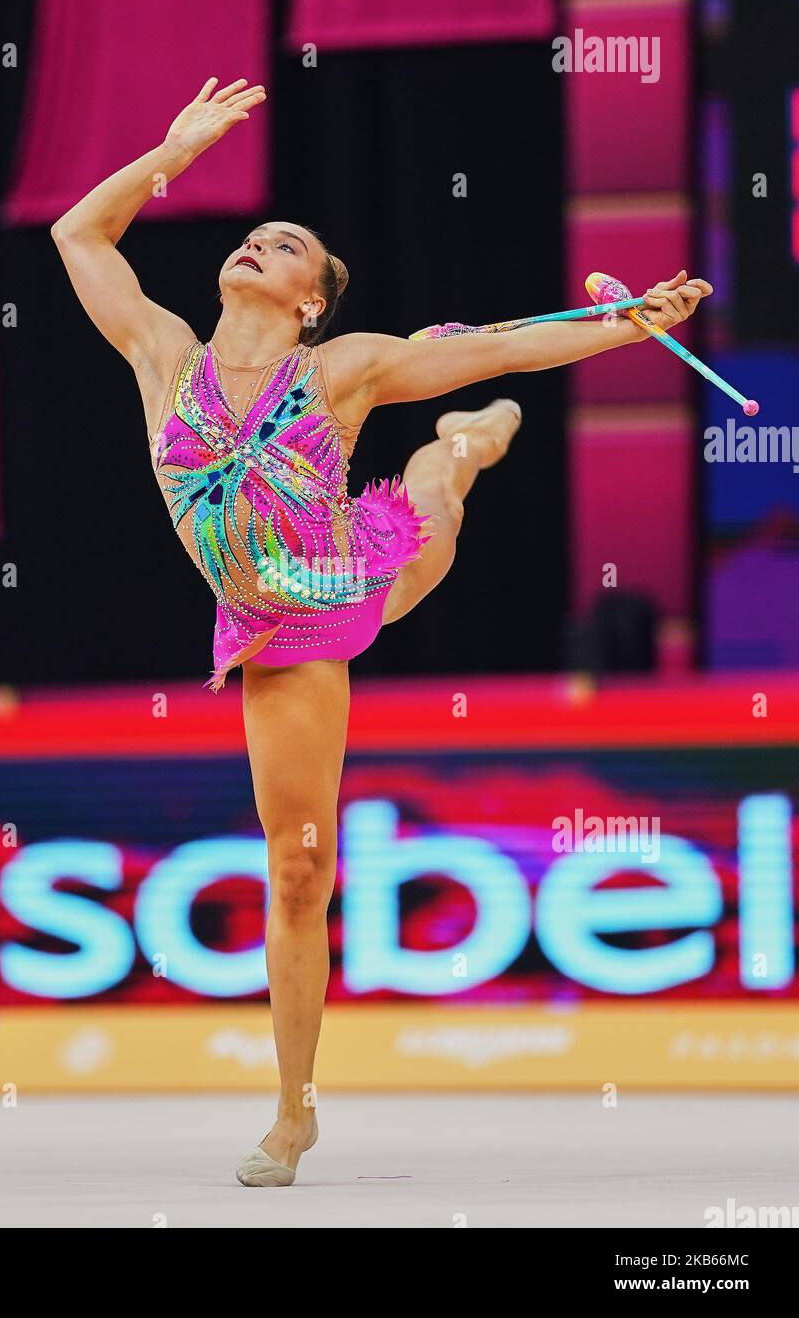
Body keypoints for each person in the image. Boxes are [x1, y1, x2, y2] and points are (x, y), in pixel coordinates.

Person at [51, 77, 711, 1185]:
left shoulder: (337, 367)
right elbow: (80, 231)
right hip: (263, 625)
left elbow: (500, 344)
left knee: (432, 498)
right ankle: (295, 1113)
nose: (261, 242)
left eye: (287, 244)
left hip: (350, 581)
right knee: (298, 873)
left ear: (312, 300)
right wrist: (170, 151)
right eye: (256, 234)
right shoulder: (163, 357)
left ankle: (460, 450)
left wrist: (623, 322)